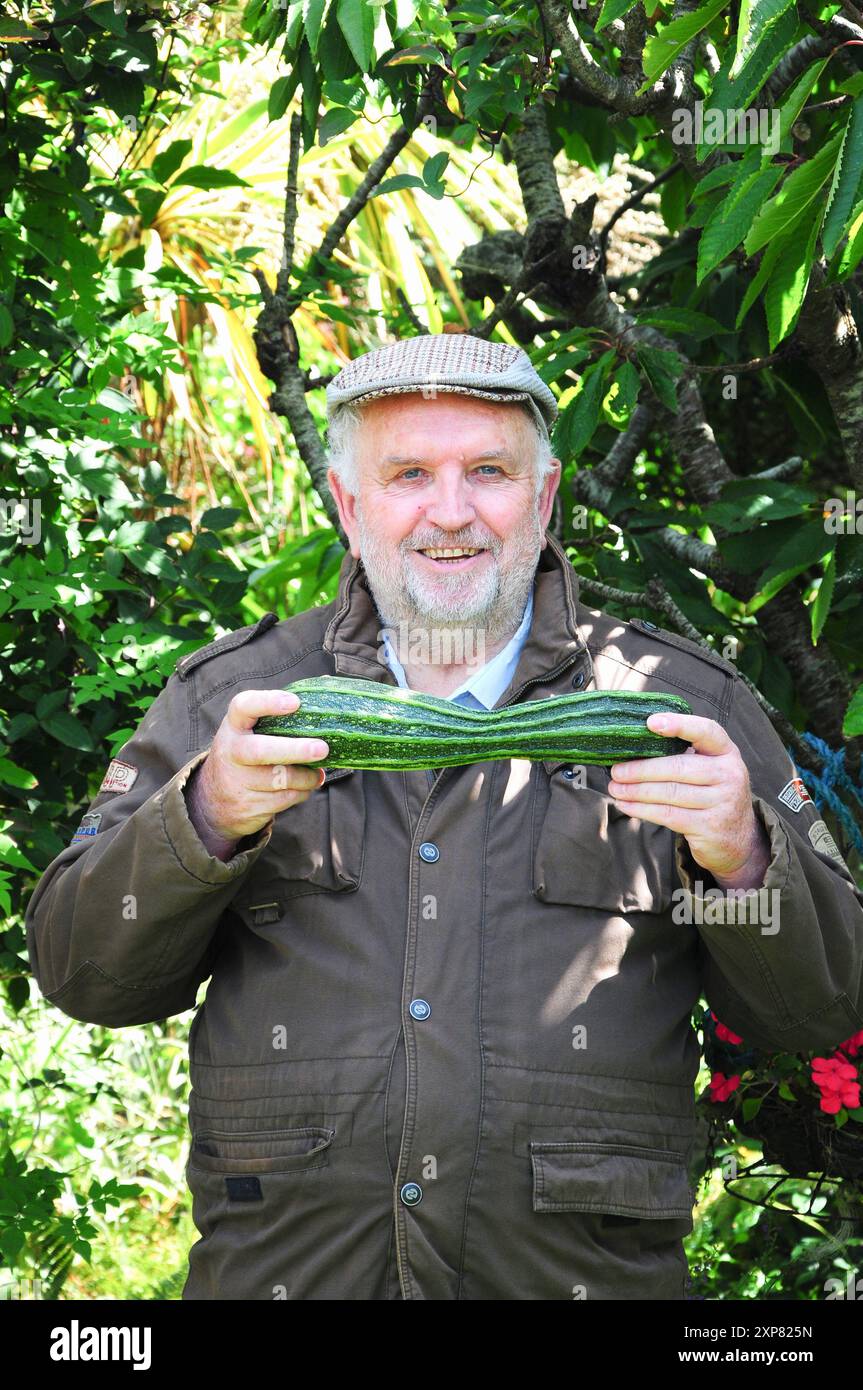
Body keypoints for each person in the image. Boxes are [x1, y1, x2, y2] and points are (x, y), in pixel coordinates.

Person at [25, 333, 863, 1301]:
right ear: (348, 506)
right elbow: (78, 967)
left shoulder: (681, 710)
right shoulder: (234, 702)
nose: (451, 512)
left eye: (488, 472)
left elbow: (823, 1004)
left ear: (543, 498)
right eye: (409, 473)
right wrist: (201, 819)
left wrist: (745, 861)